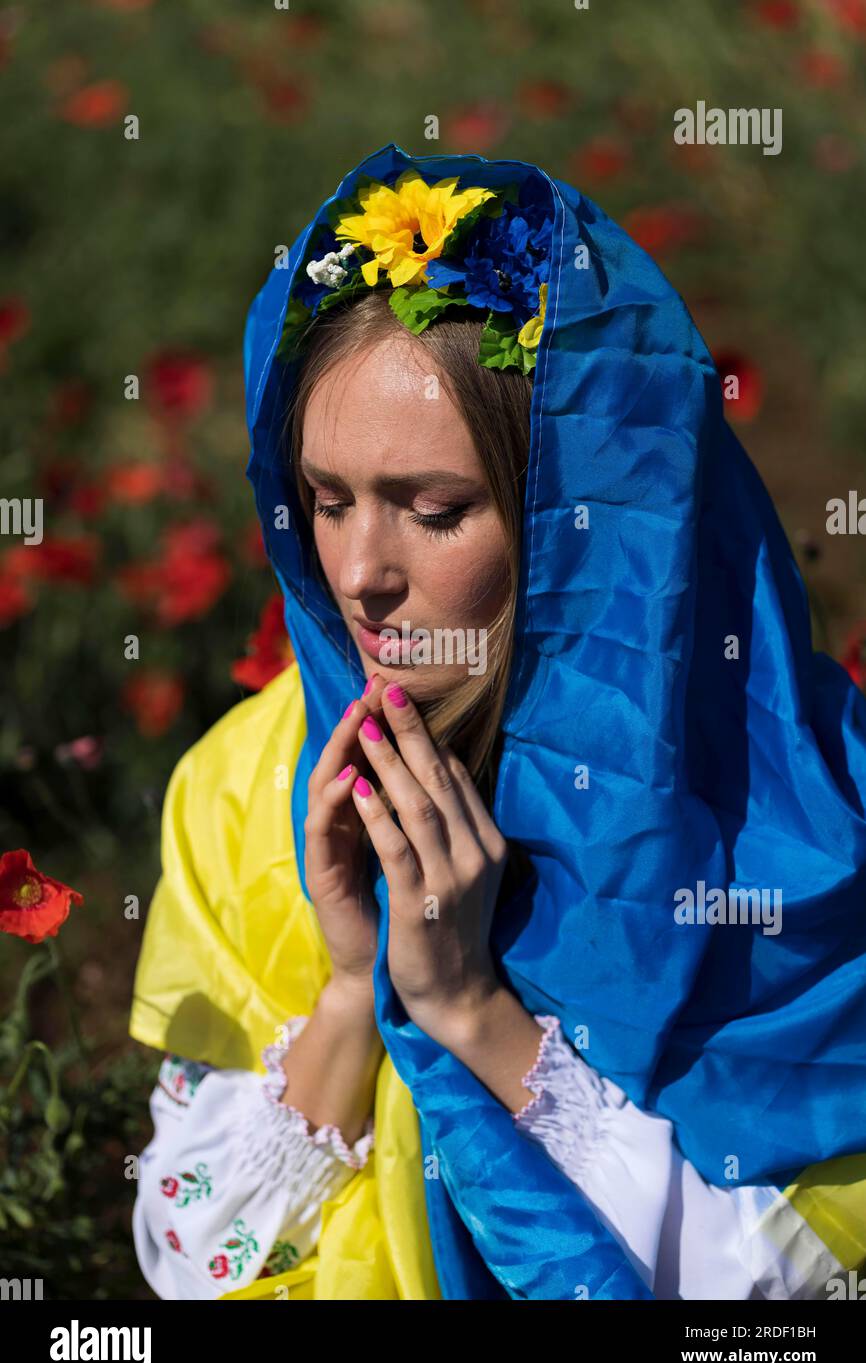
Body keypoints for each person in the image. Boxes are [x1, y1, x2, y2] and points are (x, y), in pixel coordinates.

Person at [129, 142, 866, 1301]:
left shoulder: (790, 813)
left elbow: (784, 1298)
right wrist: (350, 988)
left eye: (433, 510)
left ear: (594, 526)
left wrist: (471, 1014)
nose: (360, 572)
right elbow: (192, 1263)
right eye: (324, 501)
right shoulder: (257, 788)